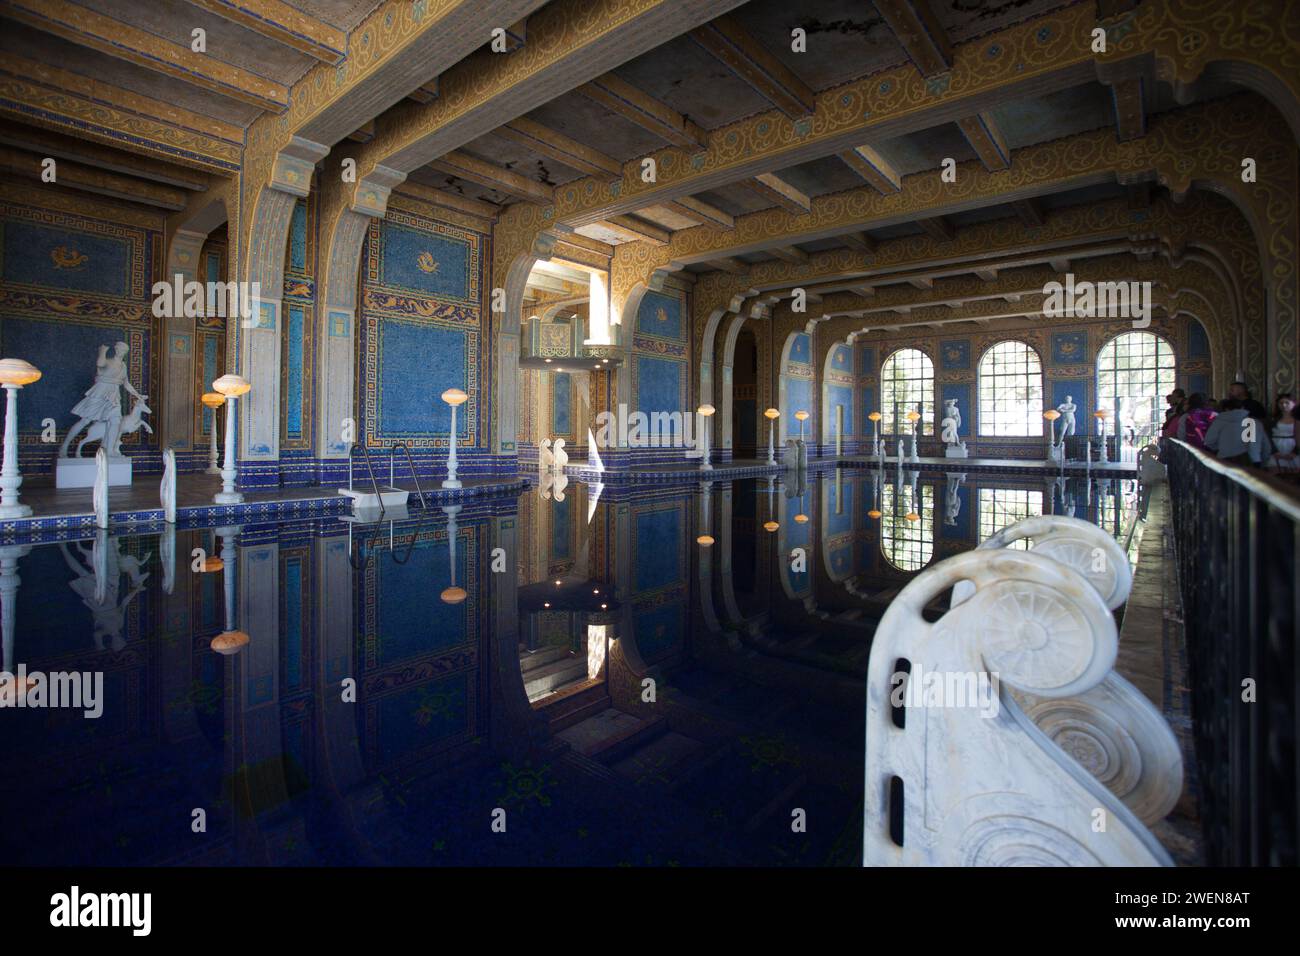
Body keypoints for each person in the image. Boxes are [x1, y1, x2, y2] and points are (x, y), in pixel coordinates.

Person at [1204, 398, 1273, 466]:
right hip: (1251, 460)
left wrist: (1221, 447)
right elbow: (1266, 446)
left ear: (1226, 409)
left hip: (1225, 460)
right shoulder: (1254, 422)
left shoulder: (1219, 422)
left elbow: (1209, 441)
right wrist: (1263, 462)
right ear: (1242, 408)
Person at [1268, 393, 1298, 470]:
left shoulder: (1297, 420)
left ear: (1293, 403)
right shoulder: (1273, 419)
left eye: (1287, 403)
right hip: (1277, 446)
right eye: (1281, 403)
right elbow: (1268, 436)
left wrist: (1295, 452)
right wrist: (1274, 451)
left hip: (1294, 446)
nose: (1284, 405)